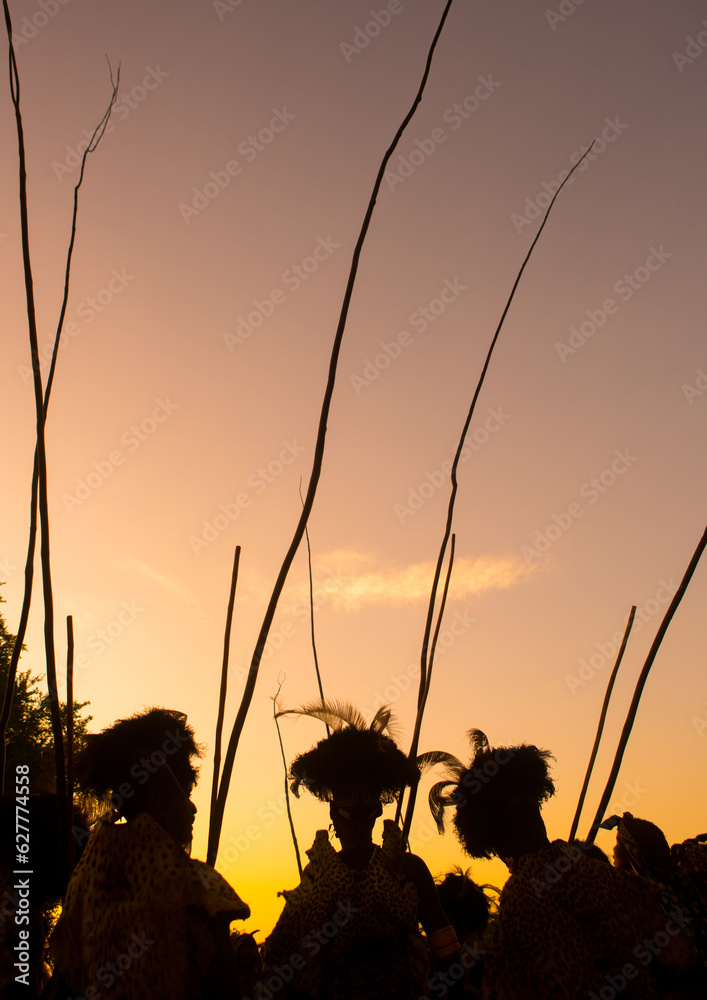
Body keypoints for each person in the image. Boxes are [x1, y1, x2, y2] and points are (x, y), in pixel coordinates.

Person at [435, 730, 696, 1000]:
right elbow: (681, 957)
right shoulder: (608, 876)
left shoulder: (520, 900)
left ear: (497, 841)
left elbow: (507, 989)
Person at [45, 707, 251, 1000]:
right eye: (186, 793)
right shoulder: (195, 886)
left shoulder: (85, 883)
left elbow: (64, 984)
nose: (192, 809)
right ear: (166, 793)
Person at [260, 708, 460, 999]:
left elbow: (448, 955)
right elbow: (284, 959)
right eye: (350, 809)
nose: (358, 820)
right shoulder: (318, 876)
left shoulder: (408, 869)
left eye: (365, 809)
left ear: (378, 811)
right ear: (333, 812)